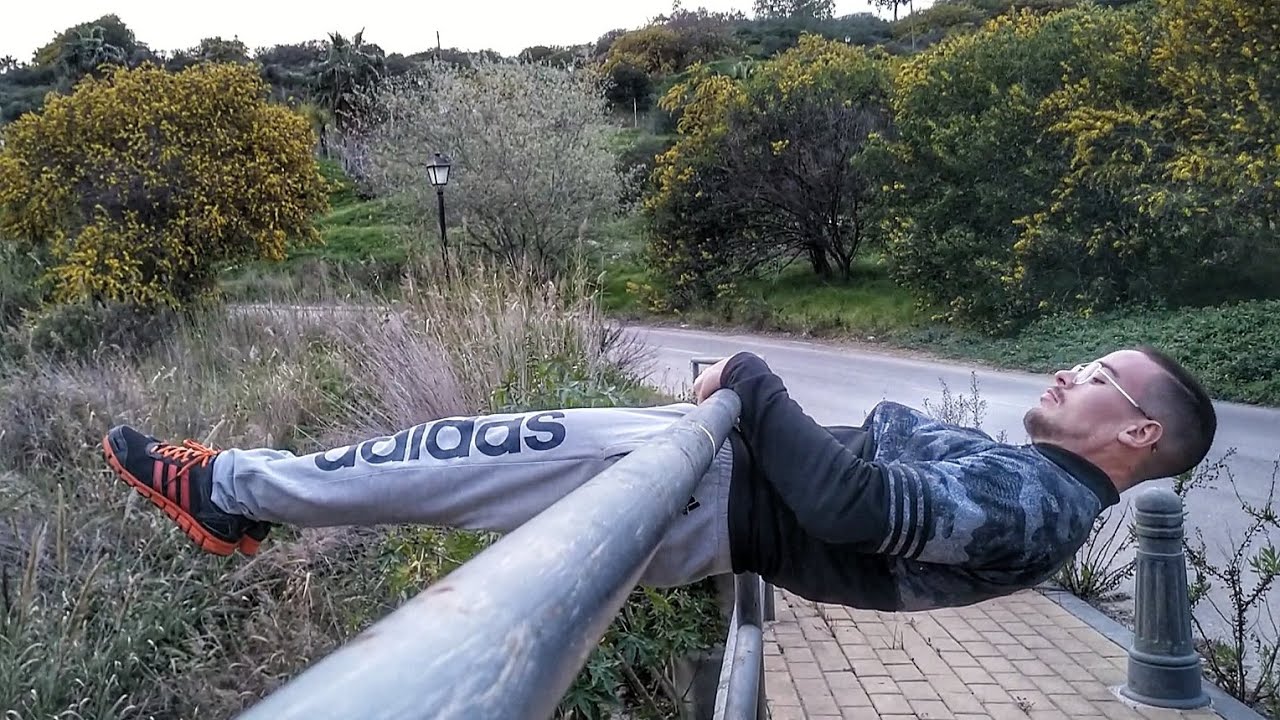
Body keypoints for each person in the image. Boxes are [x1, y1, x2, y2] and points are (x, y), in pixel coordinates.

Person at [101, 346, 1216, 611]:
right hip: (706, 488)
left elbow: (847, 507)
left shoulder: (1037, 505)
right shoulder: (1036, 487)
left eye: (1102, 378)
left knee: (453, 451)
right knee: (454, 467)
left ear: (1135, 436)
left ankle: (231, 493)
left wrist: (749, 378)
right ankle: (242, 499)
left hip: (702, 494)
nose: (1073, 373)